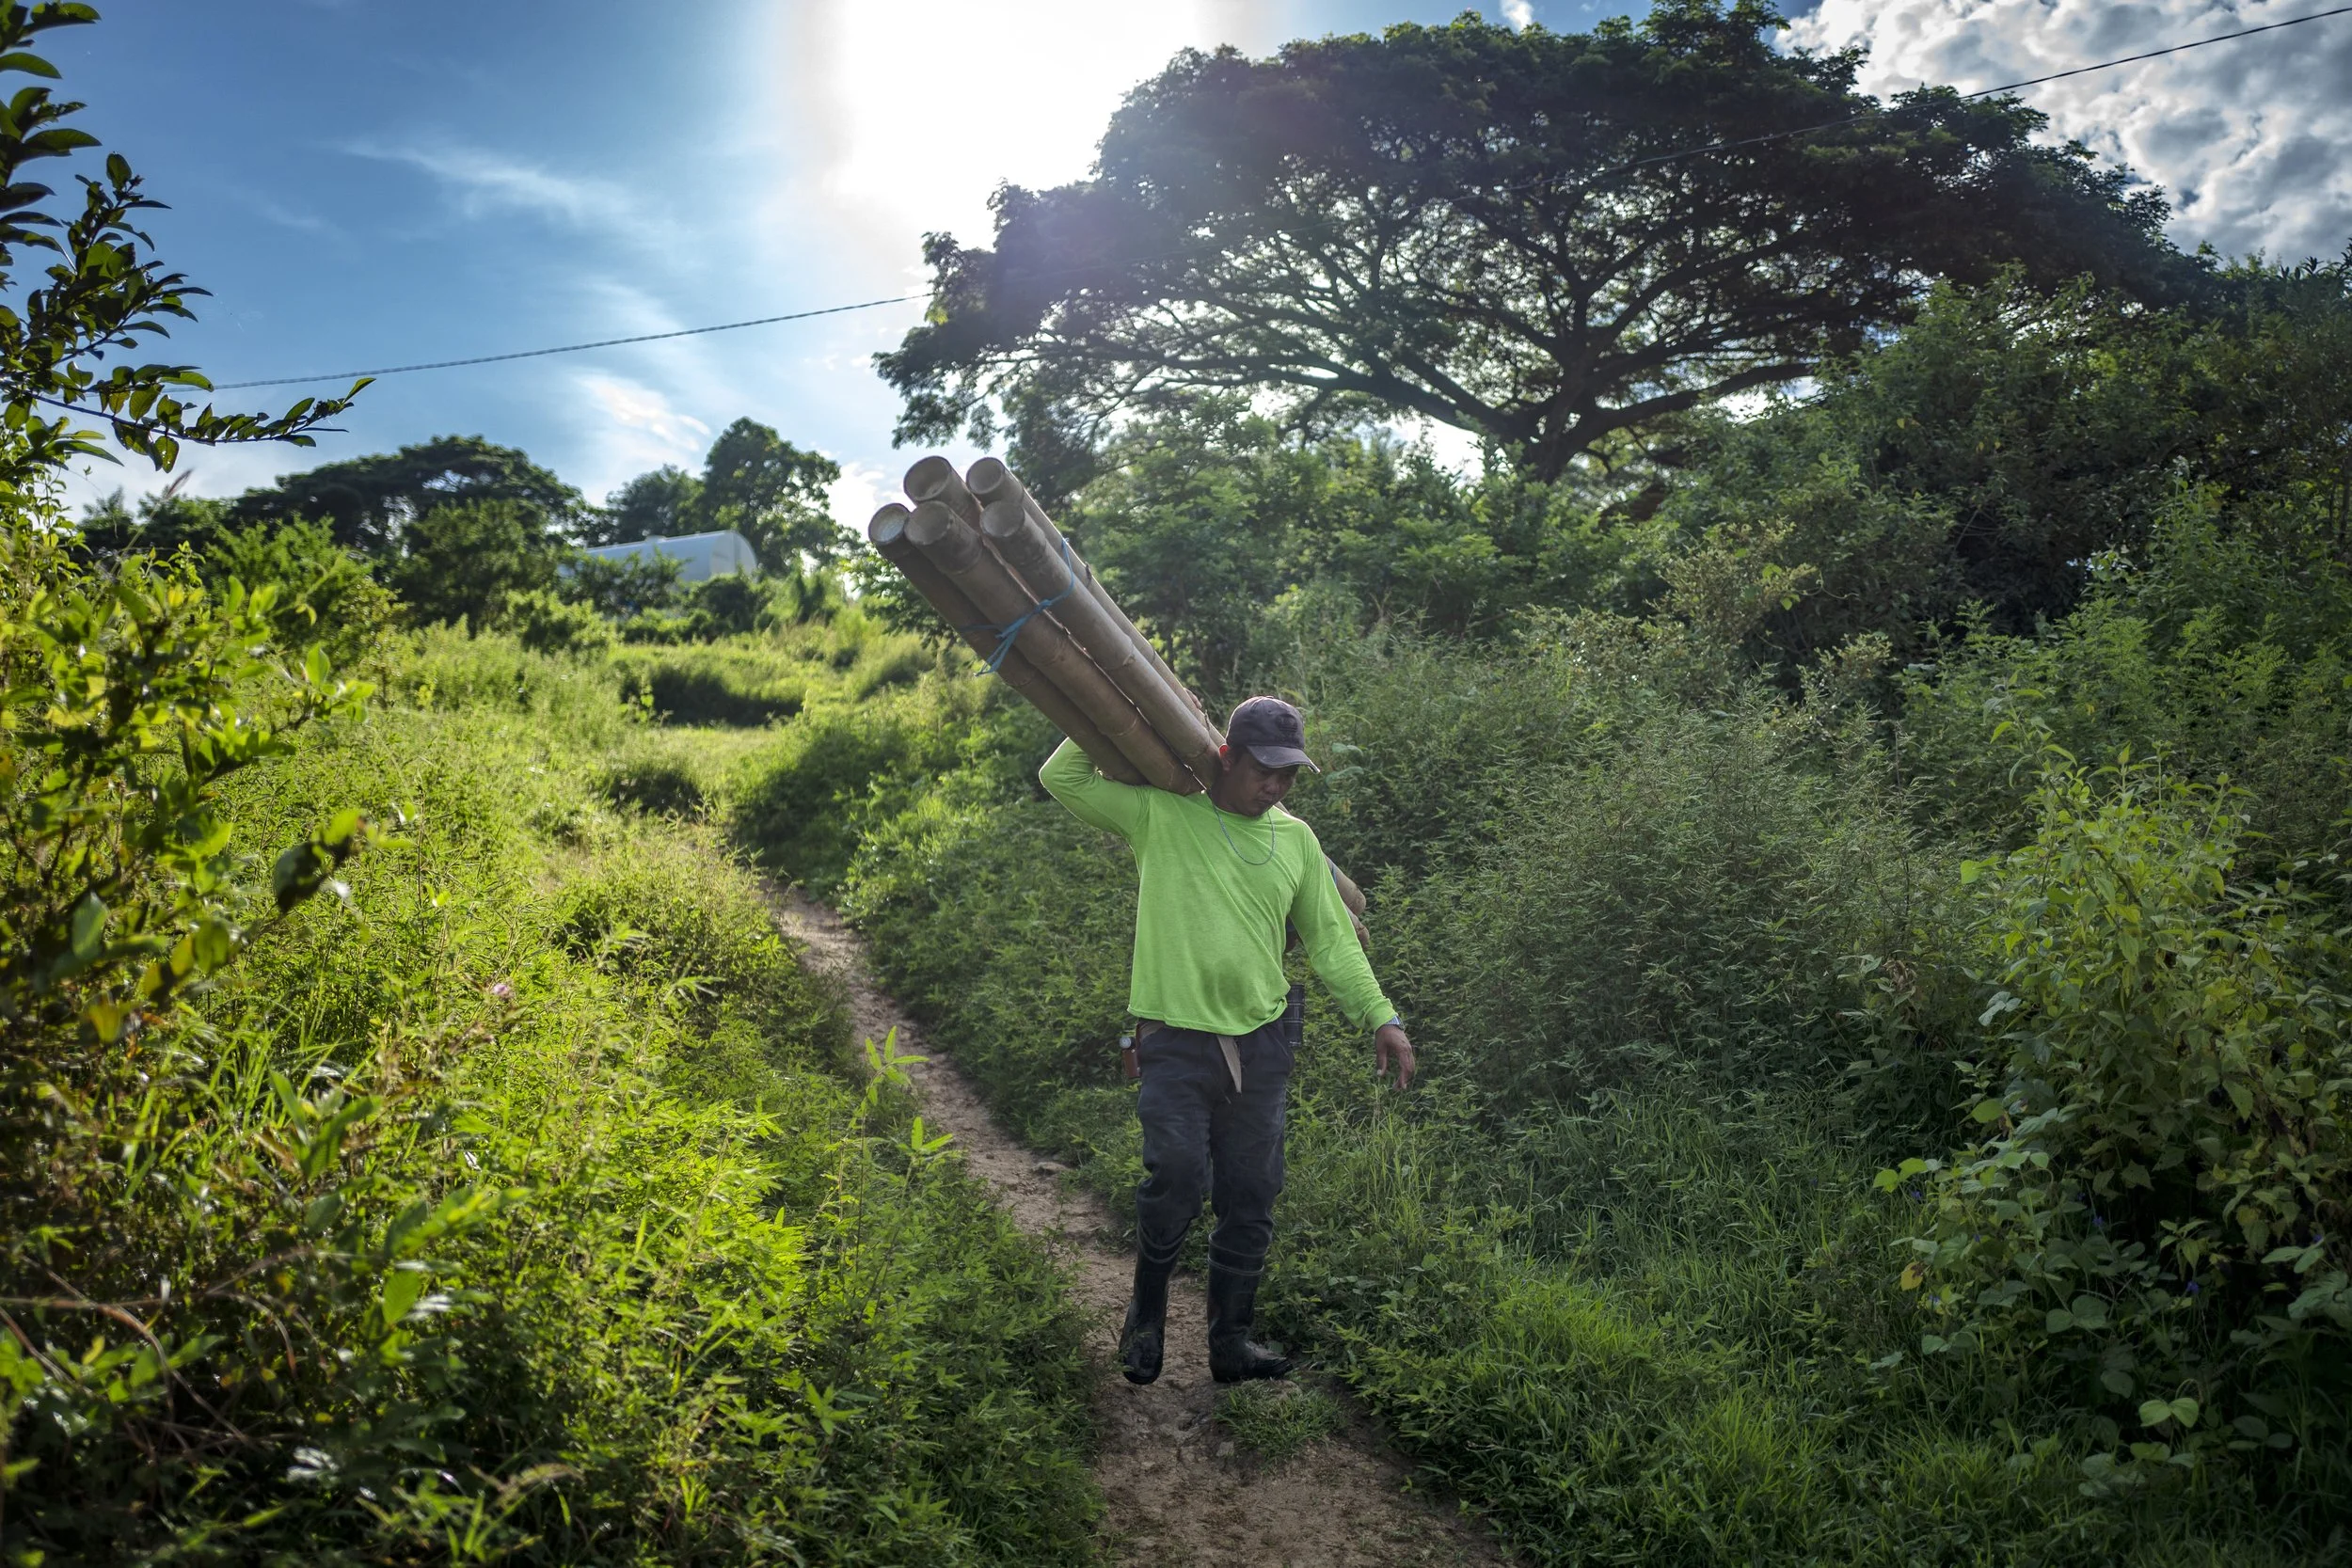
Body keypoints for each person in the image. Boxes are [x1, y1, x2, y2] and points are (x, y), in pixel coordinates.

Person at [1040, 695, 1415, 1386]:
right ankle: (1145, 1319)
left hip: (1264, 1042)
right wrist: (1106, 704)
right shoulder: (1163, 813)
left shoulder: (1297, 842)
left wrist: (1382, 1017)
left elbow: (1333, 941)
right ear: (1227, 756)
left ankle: (1231, 1343)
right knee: (1176, 1175)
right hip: (1175, 1042)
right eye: (1263, 769)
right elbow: (1062, 778)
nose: (1274, 784)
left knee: (1251, 1193)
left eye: (1288, 774)